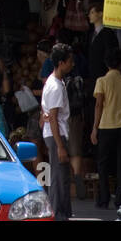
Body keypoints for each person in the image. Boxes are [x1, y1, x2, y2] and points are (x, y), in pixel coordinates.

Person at [90, 48, 121, 209]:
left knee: (103, 164)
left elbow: (99, 105)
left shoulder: (102, 81)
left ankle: (103, 198)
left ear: (106, 64)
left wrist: (94, 128)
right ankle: (120, 198)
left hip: (106, 125)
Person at [42, 42, 76, 220]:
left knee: (60, 176)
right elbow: (53, 117)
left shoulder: (55, 82)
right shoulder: (55, 86)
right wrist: (60, 146)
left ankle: (61, 212)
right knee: (58, 177)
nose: (72, 64)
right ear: (61, 63)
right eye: (70, 61)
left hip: (56, 134)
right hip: (57, 135)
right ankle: (58, 213)